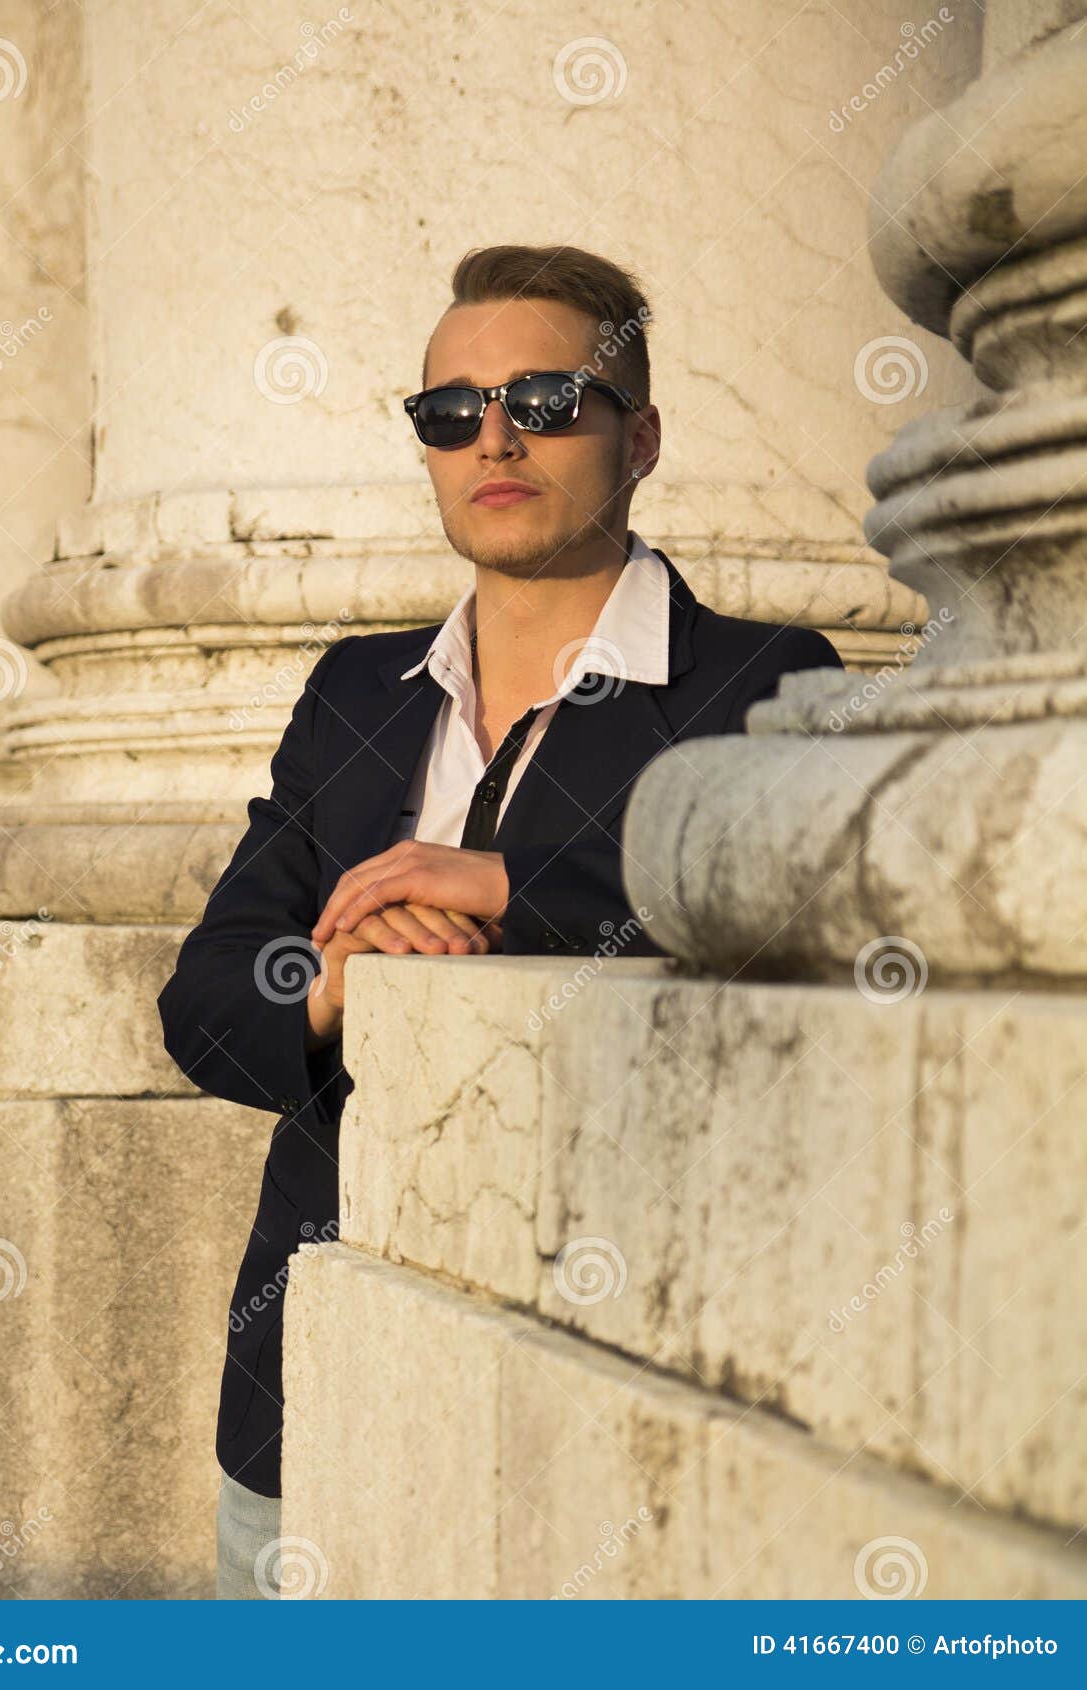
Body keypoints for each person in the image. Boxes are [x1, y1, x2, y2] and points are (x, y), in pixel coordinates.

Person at [156, 243, 844, 1599]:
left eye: (545, 400)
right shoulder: (356, 692)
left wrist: (513, 889)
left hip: (612, 1381)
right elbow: (206, 1002)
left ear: (636, 436)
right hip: (308, 1393)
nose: (494, 437)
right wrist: (332, 979)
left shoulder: (768, 678)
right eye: (448, 412)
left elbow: (800, 923)